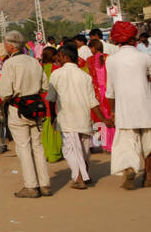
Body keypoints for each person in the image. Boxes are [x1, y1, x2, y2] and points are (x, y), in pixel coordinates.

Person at [0, 31, 51, 198]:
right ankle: (45, 184)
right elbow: (44, 86)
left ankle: (31, 186)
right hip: (35, 106)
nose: (4, 47)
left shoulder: (10, 64)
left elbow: (4, 92)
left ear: (11, 46)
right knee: (37, 146)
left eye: (5, 44)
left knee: (24, 147)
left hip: (18, 108)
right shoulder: (34, 61)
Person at [47, 44, 103, 189]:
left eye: (59, 57)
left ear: (66, 57)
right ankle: (85, 175)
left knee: (71, 150)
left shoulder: (56, 74)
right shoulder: (85, 76)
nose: (57, 59)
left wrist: (53, 117)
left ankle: (79, 178)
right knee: (83, 149)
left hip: (66, 118)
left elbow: (51, 99)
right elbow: (93, 102)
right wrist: (103, 119)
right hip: (84, 119)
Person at [105, 21, 151, 190]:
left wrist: (112, 111)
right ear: (134, 39)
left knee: (126, 142)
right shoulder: (144, 57)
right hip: (146, 106)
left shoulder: (112, 61)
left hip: (124, 108)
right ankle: (148, 176)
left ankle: (130, 169)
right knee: (149, 142)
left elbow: (110, 91)